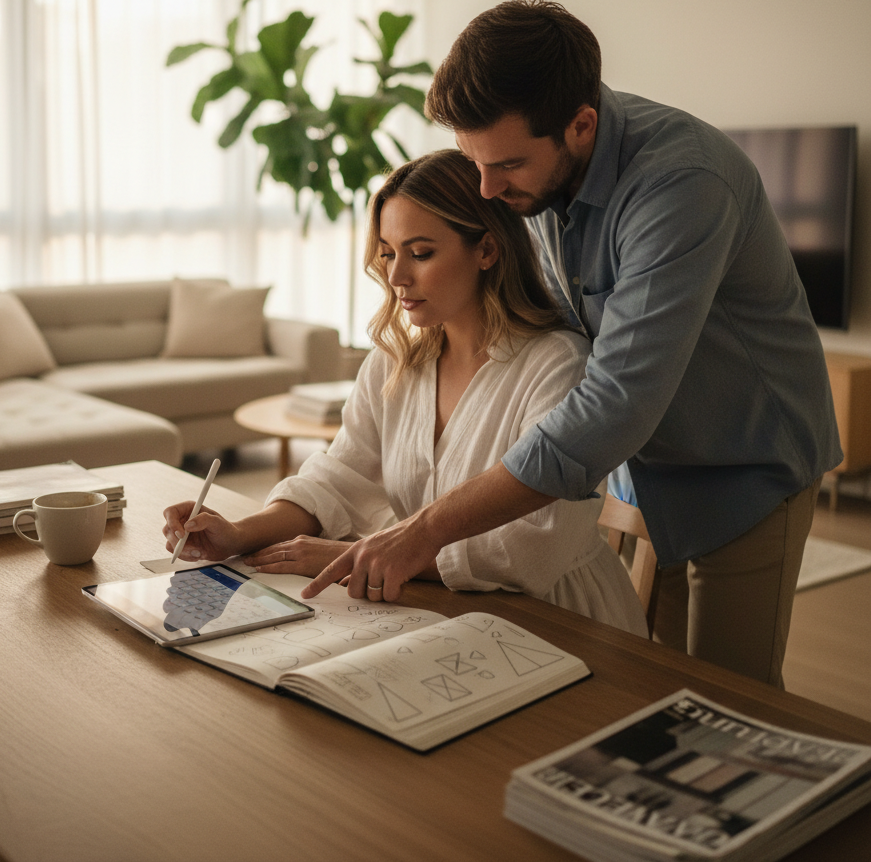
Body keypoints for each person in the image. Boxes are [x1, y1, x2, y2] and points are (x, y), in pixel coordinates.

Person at [305, 0, 841, 688]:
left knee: (730, 699)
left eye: (506, 164)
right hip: (650, 466)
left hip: (746, 461)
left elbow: (616, 400)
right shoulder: (532, 175)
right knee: (669, 685)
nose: (487, 188)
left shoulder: (682, 184)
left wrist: (426, 529)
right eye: (473, 161)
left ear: (581, 125)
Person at [162, 149, 648, 635]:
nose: (396, 277)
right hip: (439, 609)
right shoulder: (395, 362)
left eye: (420, 253)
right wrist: (237, 534)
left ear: (486, 250)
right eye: (388, 253)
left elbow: (532, 547)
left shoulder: (558, 364)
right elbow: (338, 479)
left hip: (557, 618)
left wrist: (350, 555)